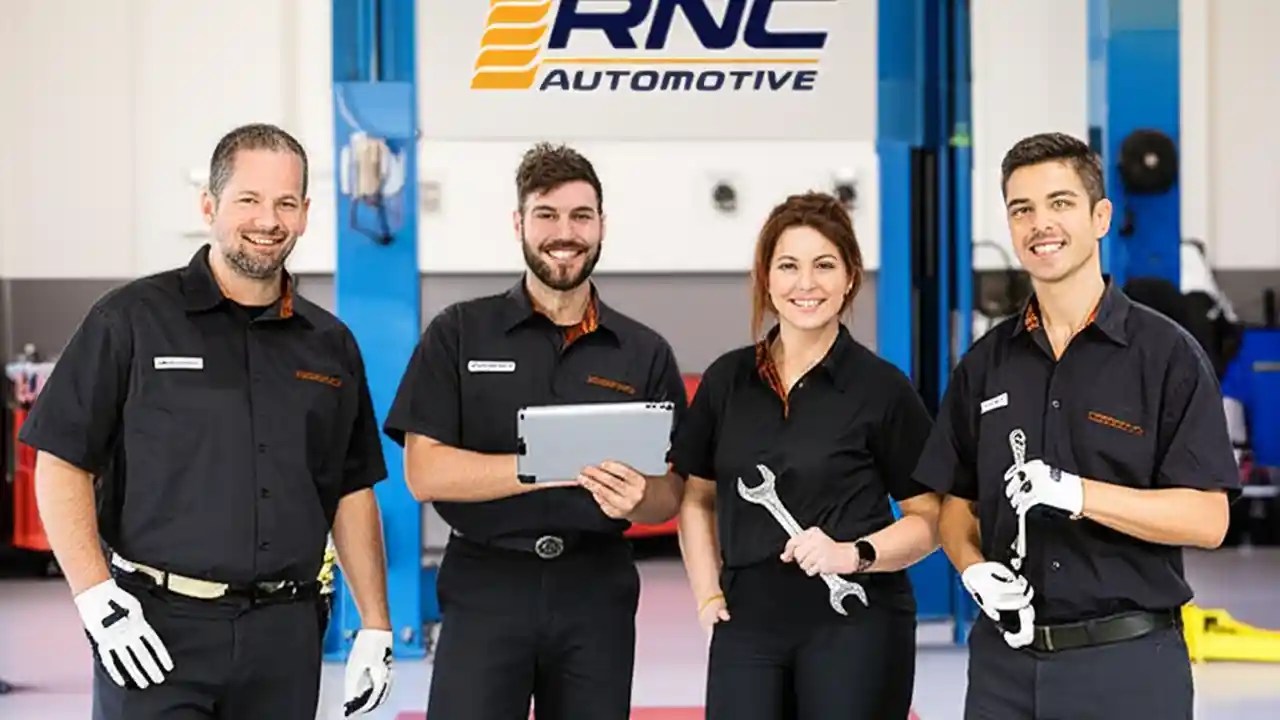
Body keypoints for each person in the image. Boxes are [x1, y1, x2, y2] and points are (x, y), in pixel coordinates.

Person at [19, 123, 396, 720]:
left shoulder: (330, 346)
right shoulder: (130, 320)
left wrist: (375, 622)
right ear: (208, 206)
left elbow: (351, 488)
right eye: (248, 199)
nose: (267, 219)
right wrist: (94, 596)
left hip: (286, 636)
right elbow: (61, 460)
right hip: (154, 632)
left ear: (304, 214)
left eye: (285, 203)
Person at [912, 132, 1239, 719]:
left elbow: (1208, 519)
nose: (1041, 224)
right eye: (1022, 209)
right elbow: (957, 503)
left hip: (1128, 667)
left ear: (1100, 217)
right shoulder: (985, 364)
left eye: (1060, 203)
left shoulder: (1166, 357)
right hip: (1003, 671)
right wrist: (973, 568)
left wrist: (1078, 494)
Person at [383, 142, 688, 719]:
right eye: (546, 214)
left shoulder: (644, 352)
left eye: (581, 216)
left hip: (596, 585)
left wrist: (642, 498)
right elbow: (423, 473)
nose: (563, 232)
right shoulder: (459, 334)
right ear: (519, 223)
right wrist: (541, 465)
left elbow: (673, 492)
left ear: (602, 227)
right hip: (485, 582)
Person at [669, 191, 942, 719]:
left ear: (850, 277)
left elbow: (930, 519)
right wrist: (708, 597)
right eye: (788, 266)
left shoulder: (882, 389)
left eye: (824, 265)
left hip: (857, 620)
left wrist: (853, 554)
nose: (806, 284)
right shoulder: (727, 381)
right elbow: (696, 499)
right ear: (766, 279)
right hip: (748, 619)